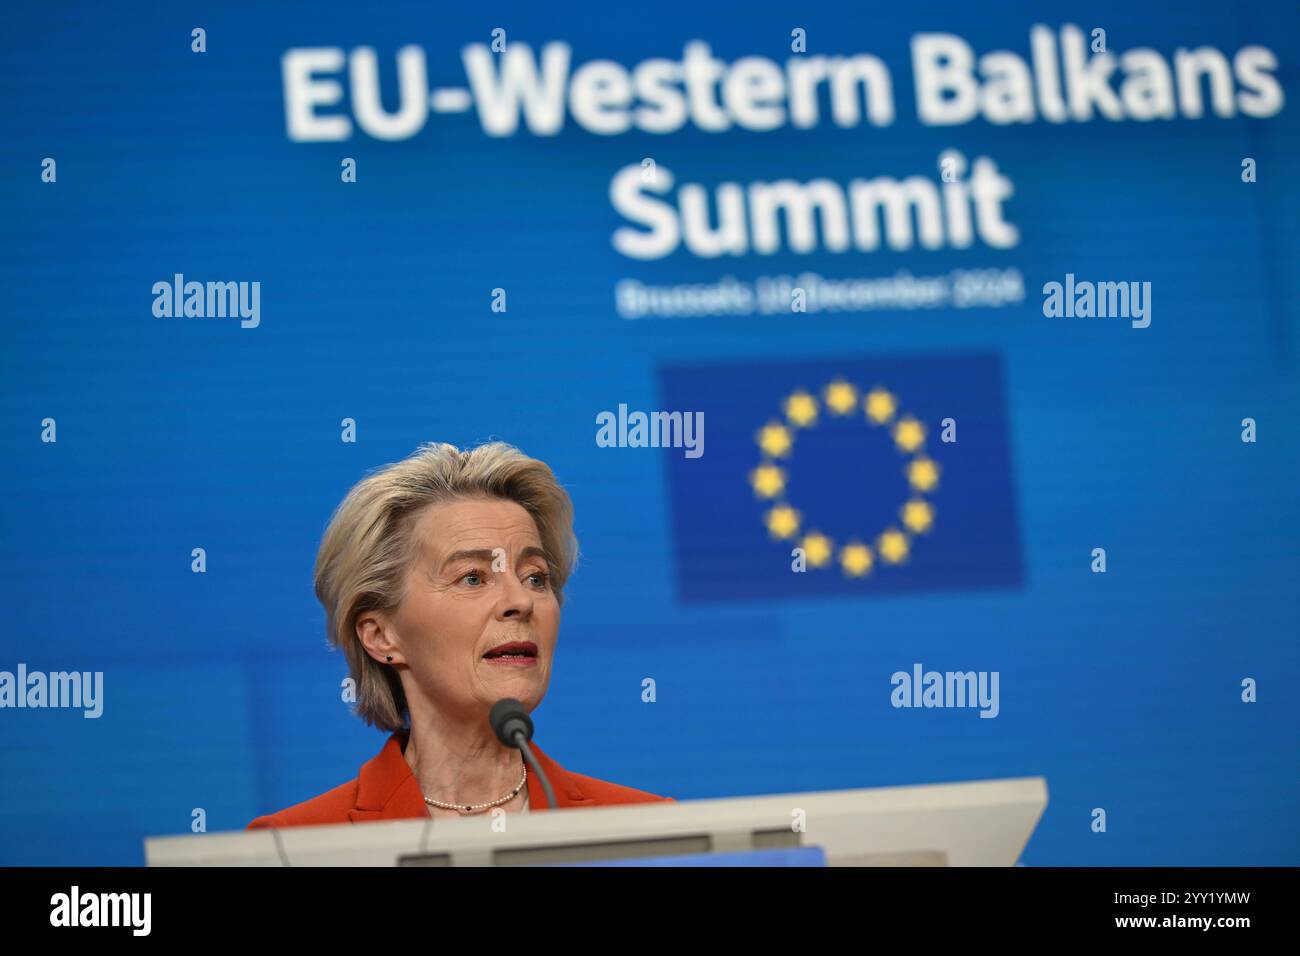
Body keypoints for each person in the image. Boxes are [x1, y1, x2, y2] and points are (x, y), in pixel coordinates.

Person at [247, 441, 672, 828]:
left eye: (536, 578)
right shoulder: (295, 845)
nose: (520, 601)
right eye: (472, 578)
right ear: (380, 635)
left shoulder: (648, 829)